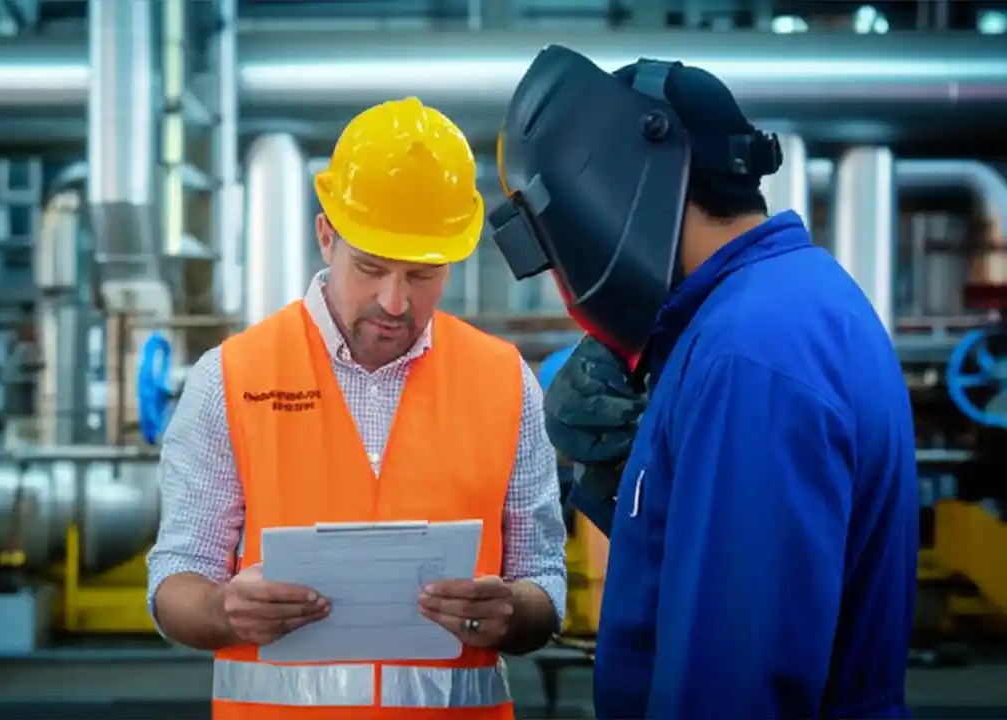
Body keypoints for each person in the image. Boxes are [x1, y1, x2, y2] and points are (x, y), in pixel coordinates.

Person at [488, 47, 918, 719]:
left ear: (618, 188)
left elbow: (734, 678)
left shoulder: (751, 352)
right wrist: (632, 480)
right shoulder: (777, 308)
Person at [147, 96, 568, 719]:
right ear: (326, 236)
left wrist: (512, 611)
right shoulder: (230, 378)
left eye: (422, 274)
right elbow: (177, 574)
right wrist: (218, 610)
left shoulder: (505, 380)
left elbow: (545, 583)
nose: (394, 302)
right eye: (370, 268)